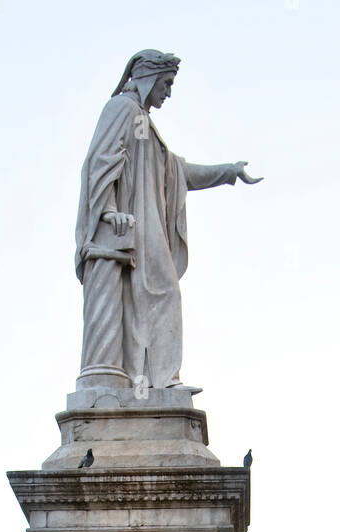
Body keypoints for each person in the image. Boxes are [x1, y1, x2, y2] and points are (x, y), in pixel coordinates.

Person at [75, 50, 262, 389]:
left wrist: (228, 172)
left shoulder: (142, 122)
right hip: (128, 226)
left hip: (145, 228)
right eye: (167, 83)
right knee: (164, 294)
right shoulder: (122, 109)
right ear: (149, 78)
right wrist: (106, 211)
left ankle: (157, 382)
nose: (169, 93)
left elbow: (174, 173)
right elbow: (99, 162)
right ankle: (160, 382)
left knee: (156, 298)